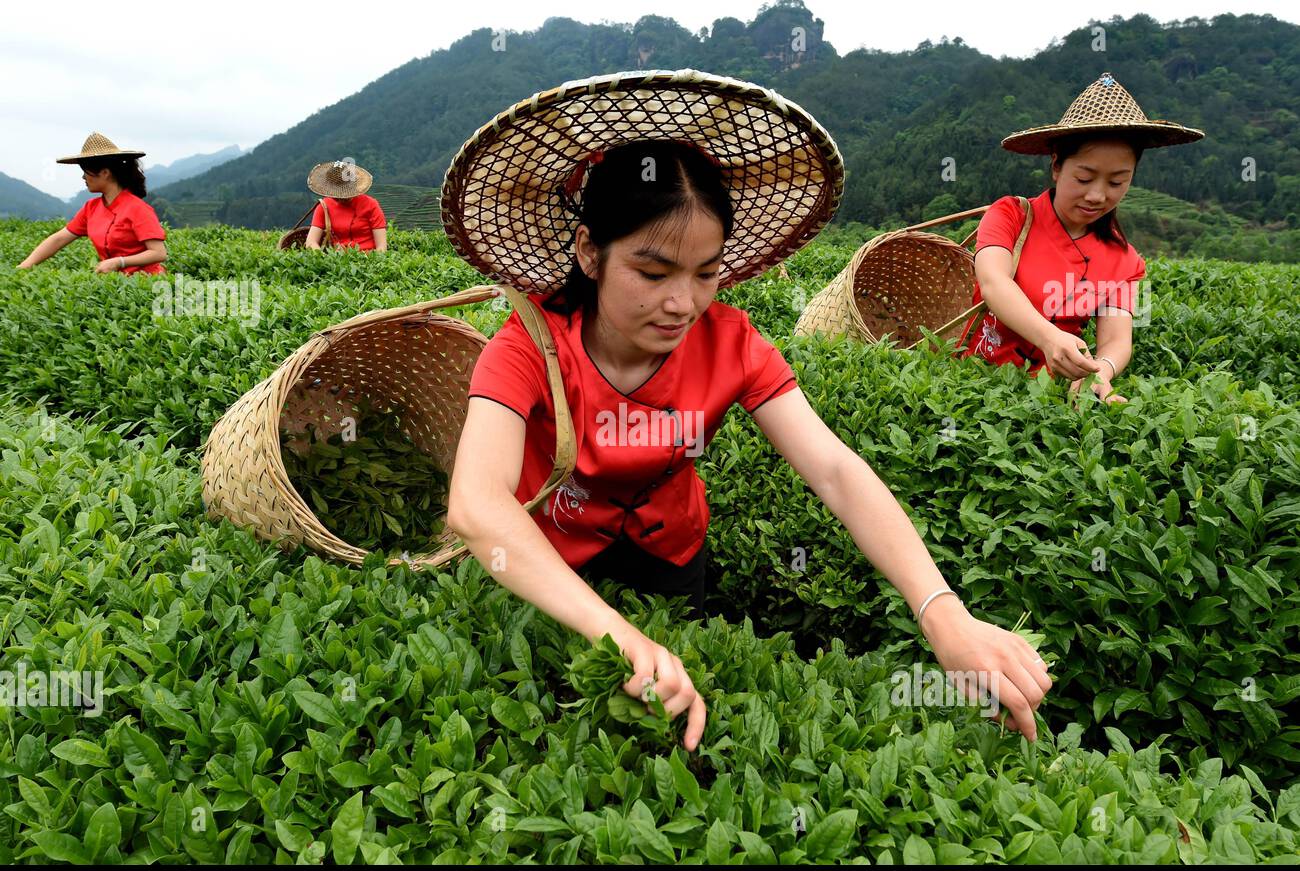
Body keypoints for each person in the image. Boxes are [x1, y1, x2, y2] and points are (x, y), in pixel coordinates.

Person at [443, 71, 1054, 755]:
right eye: (652, 273)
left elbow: (834, 469)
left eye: (704, 273)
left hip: (670, 554)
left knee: (671, 711)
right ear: (590, 251)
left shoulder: (731, 343)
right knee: (561, 717)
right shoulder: (529, 344)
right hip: (550, 562)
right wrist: (616, 632)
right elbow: (476, 503)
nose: (682, 302)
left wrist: (943, 612)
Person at [963, 74, 1204, 403]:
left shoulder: (1126, 261)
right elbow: (993, 283)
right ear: (1057, 167)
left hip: (1052, 394)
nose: (1097, 195)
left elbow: (1117, 340)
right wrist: (1049, 337)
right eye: (1084, 177)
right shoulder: (1010, 215)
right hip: (973, 381)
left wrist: (1100, 371)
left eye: (1117, 182)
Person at [17, 132, 167, 275]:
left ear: (105, 173)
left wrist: (120, 262)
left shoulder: (138, 208)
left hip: (146, 284)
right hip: (114, 285)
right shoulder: (91, 208)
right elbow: (58, 239)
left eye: (86, 171)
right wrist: (23, 267)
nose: (83, 177)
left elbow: (159, 253)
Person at [304, 159, 387, 251]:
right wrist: (324, 259)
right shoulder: (324, 206)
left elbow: (382, 247)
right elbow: (311, 242)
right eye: (337, 195)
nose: (342, 198)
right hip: (338, 259)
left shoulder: (371, 205)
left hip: (368, 258)